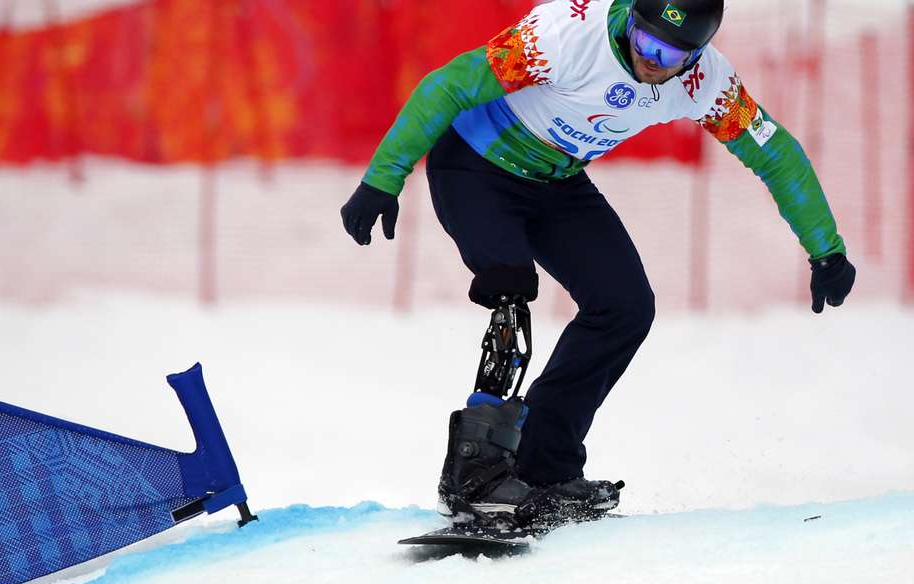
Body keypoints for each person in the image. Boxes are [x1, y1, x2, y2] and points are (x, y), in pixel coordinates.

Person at [339, 0, 856, 527]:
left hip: (557, 184)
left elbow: (774, 153)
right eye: (645, 40)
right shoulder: (564, 36)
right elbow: (448, 85)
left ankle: (544, 466)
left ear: (697, 55)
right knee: (509, 285)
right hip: (476, 167)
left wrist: (826, 249)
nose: (651, 60)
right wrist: (383, 178)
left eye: (670, 53)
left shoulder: (706, 82)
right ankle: (476, 474)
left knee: (625, 307)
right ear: (631, 16)